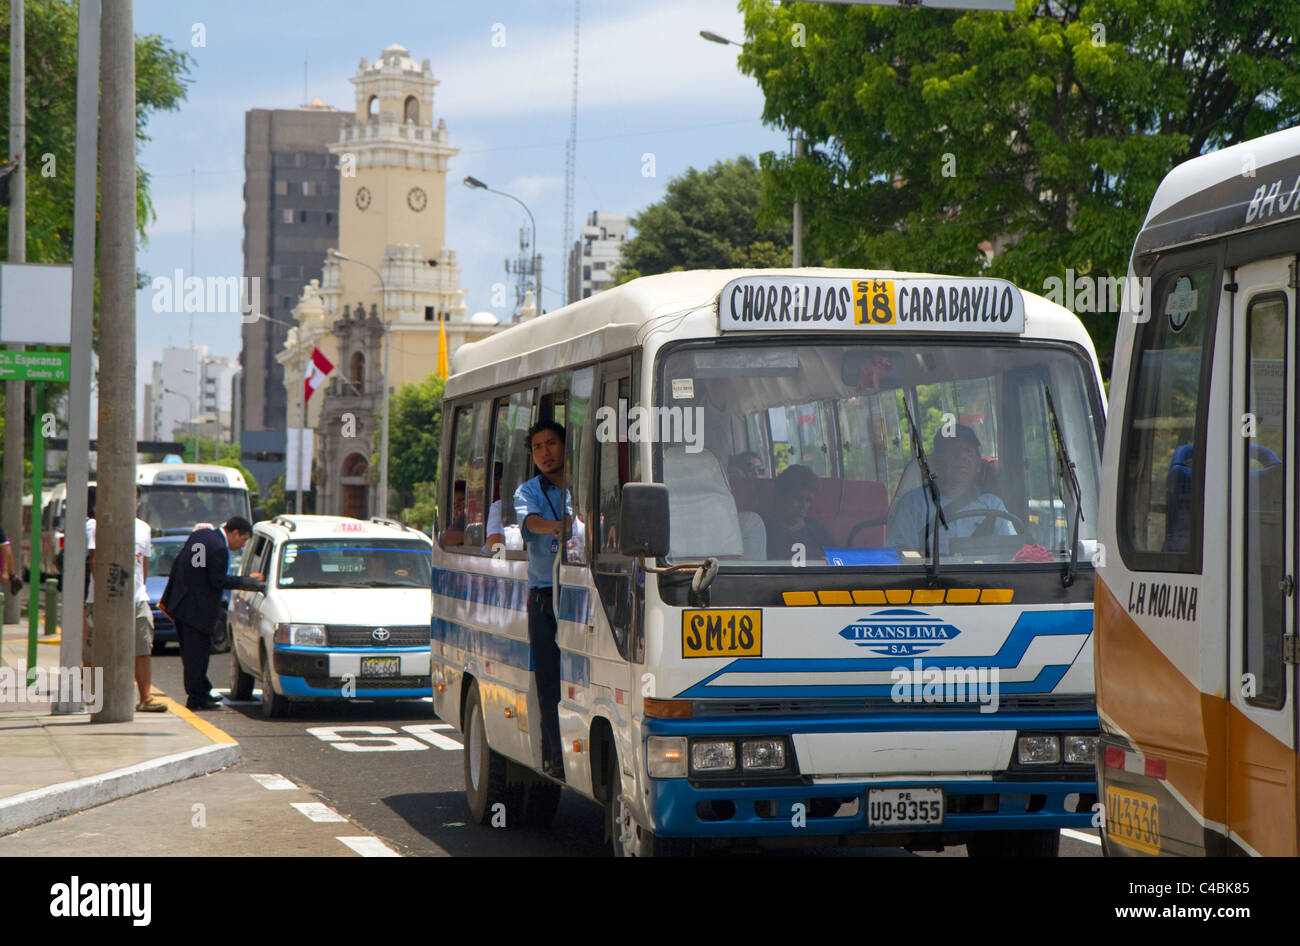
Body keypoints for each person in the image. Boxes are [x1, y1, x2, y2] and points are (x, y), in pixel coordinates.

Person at [514, 420, 572, 779]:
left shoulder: (588, 483)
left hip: (581, 593)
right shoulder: (529, 490)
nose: (545, 453)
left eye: (551, 443)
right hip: (544, 598)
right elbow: (530, 523)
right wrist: (556, 526)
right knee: (549, 680)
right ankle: (556, 755)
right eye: (537, 447)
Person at [159, 516, 262, 710]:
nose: (242, 546)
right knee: (197, 655)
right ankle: (197, 698)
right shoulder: (219, 549)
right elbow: (218, 580)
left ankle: (201, 690)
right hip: (196, 610)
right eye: (243, 540)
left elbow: (187, 567)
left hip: (182, 603)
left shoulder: (202, 536)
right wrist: (248, 581)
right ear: (234, 533)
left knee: (192, 654)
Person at [888, 424, 1014, 555]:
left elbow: (1013, 553)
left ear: (978, 464)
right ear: (937, 461)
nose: (963, 457)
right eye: (955, 451)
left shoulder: (993, 506)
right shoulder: (913, 505)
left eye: (969, 452)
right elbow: (898, 555)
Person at [762, 465, 833, 561]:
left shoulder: (815, 528)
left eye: (808, 500)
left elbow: (837, 559)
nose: (803, 506)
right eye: (798, 498)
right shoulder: (764, 530)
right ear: (781, 496)